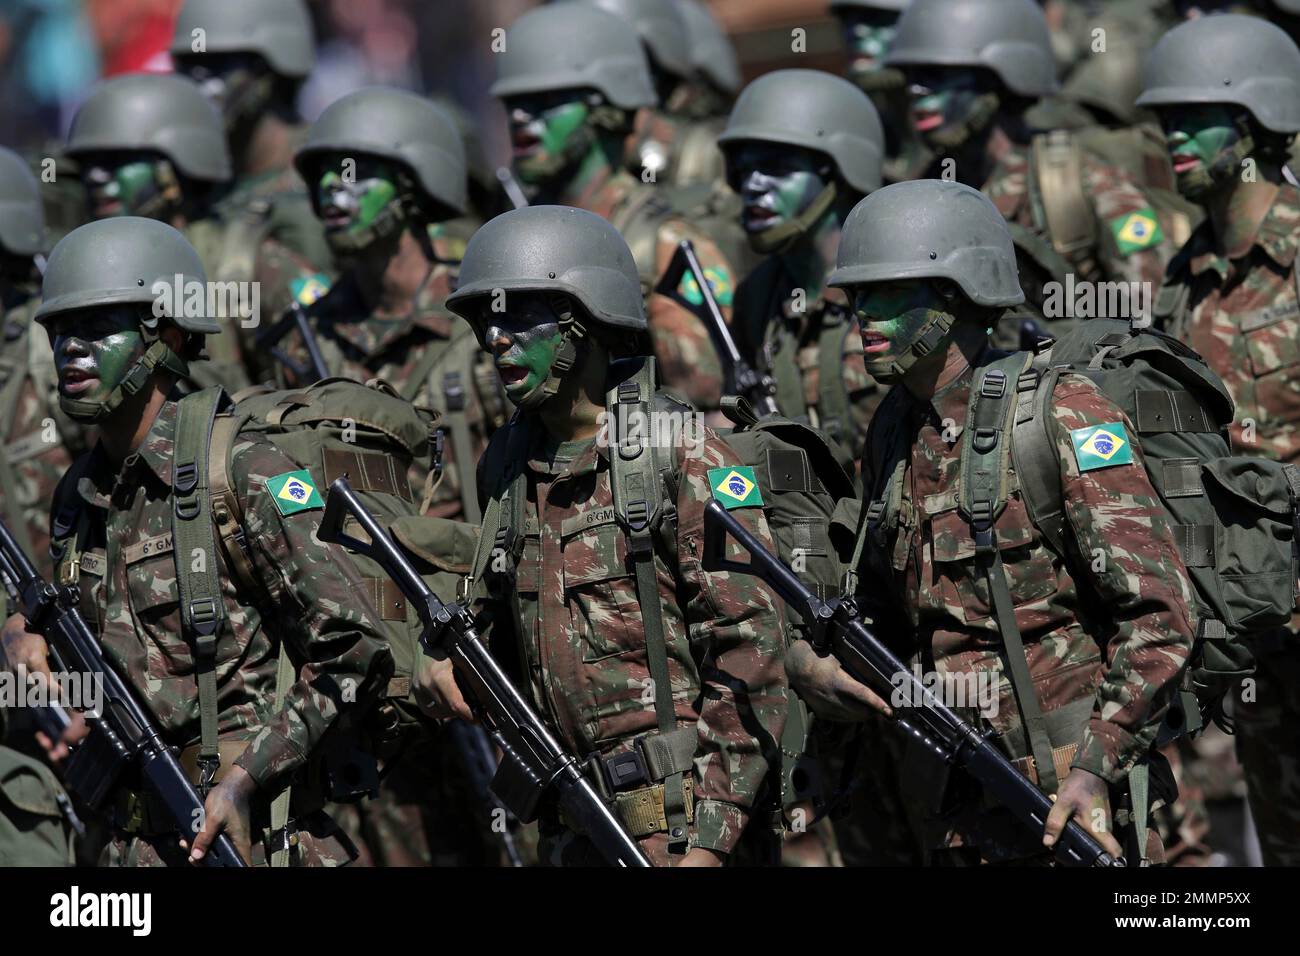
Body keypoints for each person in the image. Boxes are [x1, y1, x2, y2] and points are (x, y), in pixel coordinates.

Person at [794, 178, 1196, 865]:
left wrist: (1095, 766)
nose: (860, 314)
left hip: (1079, 803)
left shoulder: (1057, 413)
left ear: (951, 300)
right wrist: (813, 663)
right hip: (967, 804)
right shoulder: (893, 432)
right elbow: (896, 613)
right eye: (856, 295)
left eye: (886, 294)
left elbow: (1161, 615)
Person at [0, 217, 394, 866]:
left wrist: (245, 779)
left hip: (249, 841)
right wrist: (20, 630)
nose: (71, 349)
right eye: (61, 331)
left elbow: (355, 649)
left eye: (100, 327)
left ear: (169, 336)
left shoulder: (239, 468)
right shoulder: (81, 493)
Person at [442, 205, 789, 866]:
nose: (495, 338)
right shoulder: (507, 464)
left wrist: (711, 843)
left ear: (584, 322)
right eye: (488, 320)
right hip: (576, 826)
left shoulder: (676, 450)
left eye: (519, 316)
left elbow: (752, 646)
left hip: (684, 829)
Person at [1138, 13, 1300, 866]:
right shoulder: (1180, 282)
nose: (1173, 137)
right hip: (1251, 646)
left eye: (1194, 116)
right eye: (1164, 119)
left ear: (1254, 122)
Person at [492, 1, 742, 414]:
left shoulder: (661, 242)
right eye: (513, 103)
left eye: (546, 100)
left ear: (604, 109)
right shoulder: (511, 238)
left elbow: (707, 407)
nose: (520, 117)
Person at [884, 0, 1181, 332]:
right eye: (910, 77)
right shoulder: (922, 194)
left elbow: (1155, 321)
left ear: (998, 80)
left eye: (936, 75)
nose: (915, 91)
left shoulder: (1073, 182)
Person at [285, 86, 505, 524]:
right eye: (323, 175)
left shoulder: (484, 313)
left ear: (411, 188)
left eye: (353, 173)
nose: (332, 187)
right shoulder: (306, 337)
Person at [63, 72, 319, 392]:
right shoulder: (80, 271)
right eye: (88, 163)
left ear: (173, 167)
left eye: (117, 160)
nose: (96, 176)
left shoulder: (243, 265)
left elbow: (319, 400)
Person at [721, 69, 886, 463]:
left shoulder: (897, 276)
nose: (753, 185)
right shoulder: (758, 296)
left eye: (777, 166)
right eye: (744, 170)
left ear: (838, 169)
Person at [827, 0, 930, 184]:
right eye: (848, 20)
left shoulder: (958, 150)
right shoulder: (853, 139)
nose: (856, 31)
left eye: (876, 18)